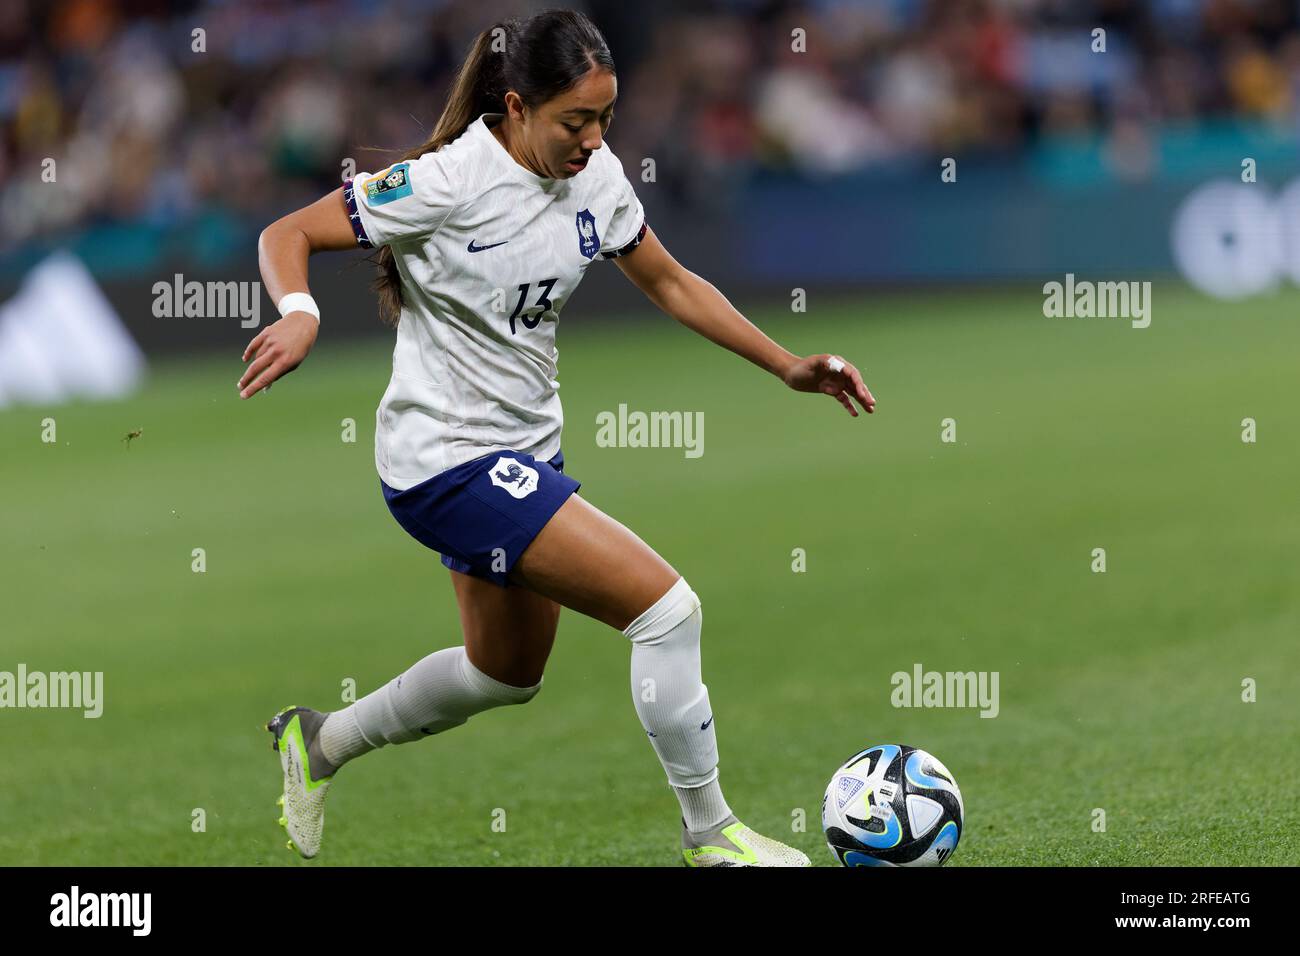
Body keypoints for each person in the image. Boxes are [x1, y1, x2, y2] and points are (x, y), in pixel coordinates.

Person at [243, 8, 874, 867]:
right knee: (666, 612)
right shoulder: (447, 180)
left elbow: (673, 282)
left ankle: (316, 743)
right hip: (446, 460)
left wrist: (786, 365)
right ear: (515, 106)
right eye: (575, 121)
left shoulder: (599, 177)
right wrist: (301, 313)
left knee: (504, 674)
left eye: (605, 118)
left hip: (524, 453)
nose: (592, 139)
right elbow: (289, 234)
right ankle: (712, 834)